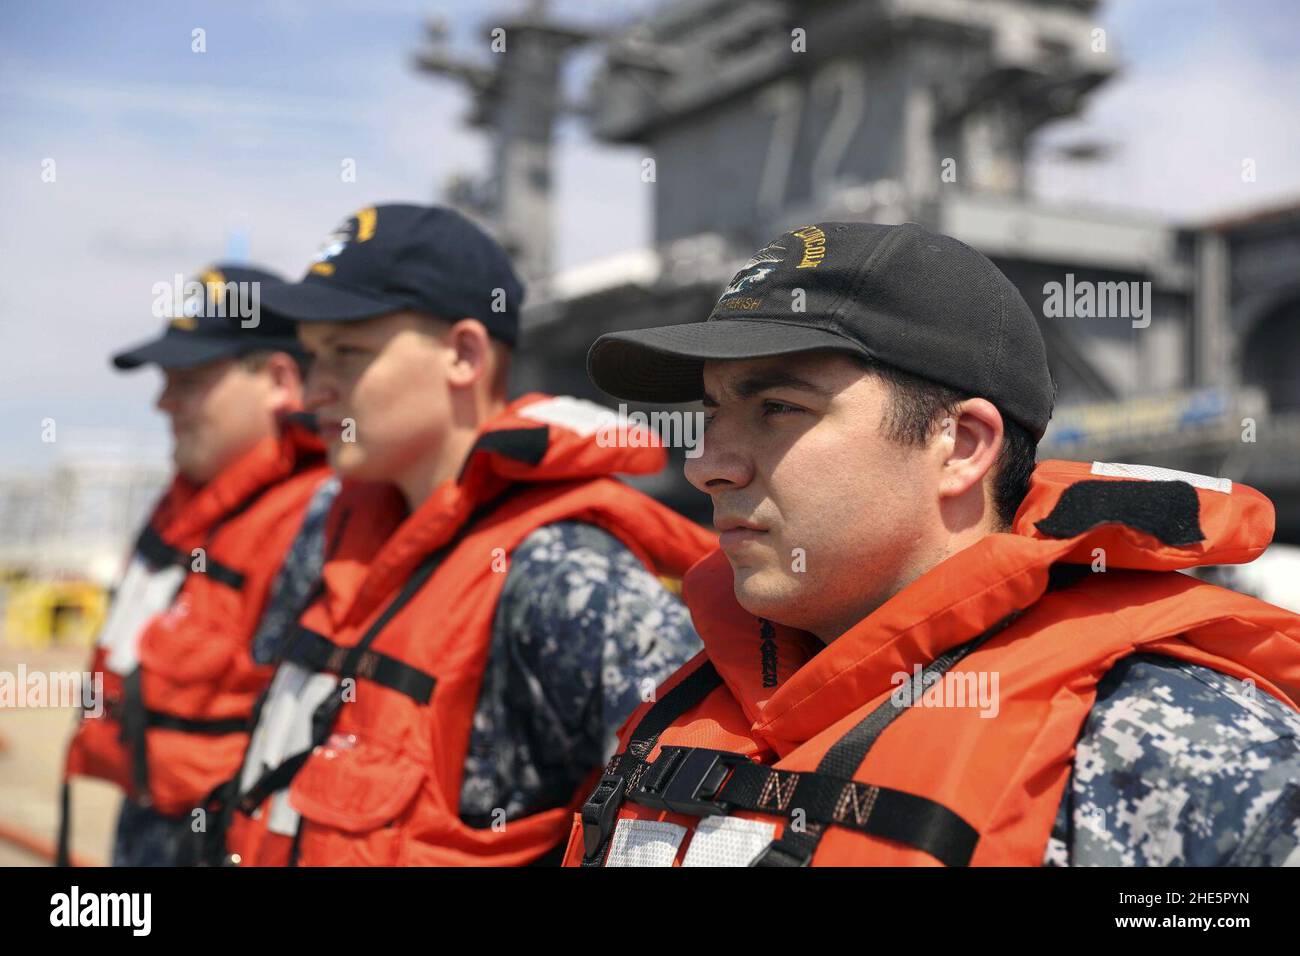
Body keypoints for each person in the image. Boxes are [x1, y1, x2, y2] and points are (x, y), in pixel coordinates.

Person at [563, 220, 1300, 867]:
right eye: (712, 411)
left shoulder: (1166, 748)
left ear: (961, 445)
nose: (705, 463)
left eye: (779, 407)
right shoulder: (677, 700)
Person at [219, 203, 714, 866]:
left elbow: (695, 821)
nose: (313, 393)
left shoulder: (560, 570)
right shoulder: (331, 527)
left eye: (346, 353)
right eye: (311, 357)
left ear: (464, 354)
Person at [60, 264, 334, 866]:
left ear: (279, 381)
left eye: (188, 379)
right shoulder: (186, 505)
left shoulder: (321, 522)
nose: (162, 403)